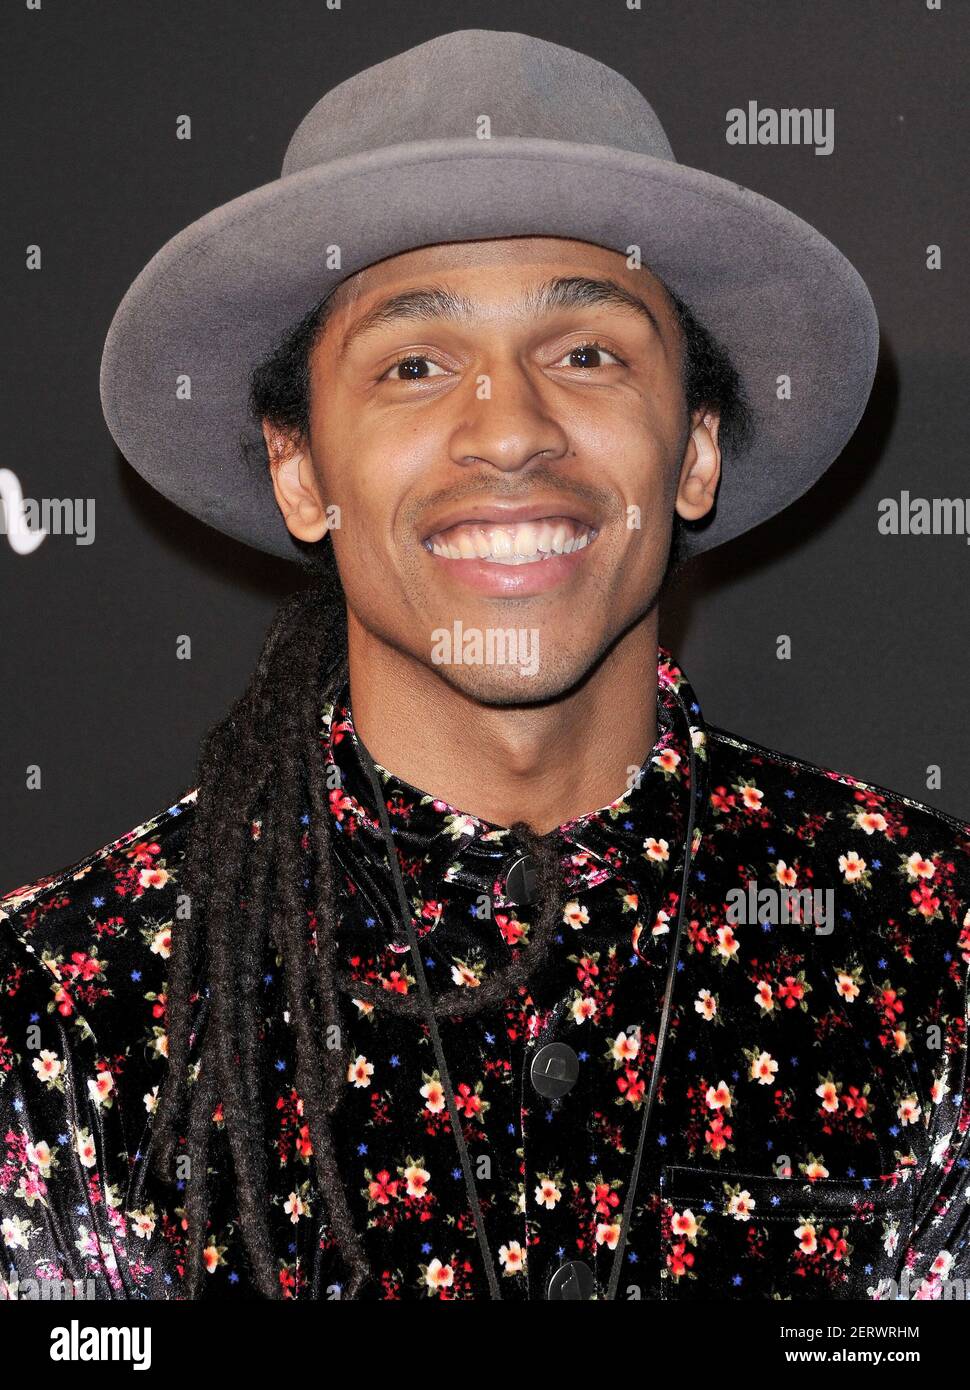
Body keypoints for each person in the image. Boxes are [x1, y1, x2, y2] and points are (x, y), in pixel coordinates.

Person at [2, 29, 968, 1304]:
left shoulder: (932, 946)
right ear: (300, 469)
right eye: (414, 364)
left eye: (587, 353)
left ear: (693, 451)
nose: (509, 429)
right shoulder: (65, 1007)